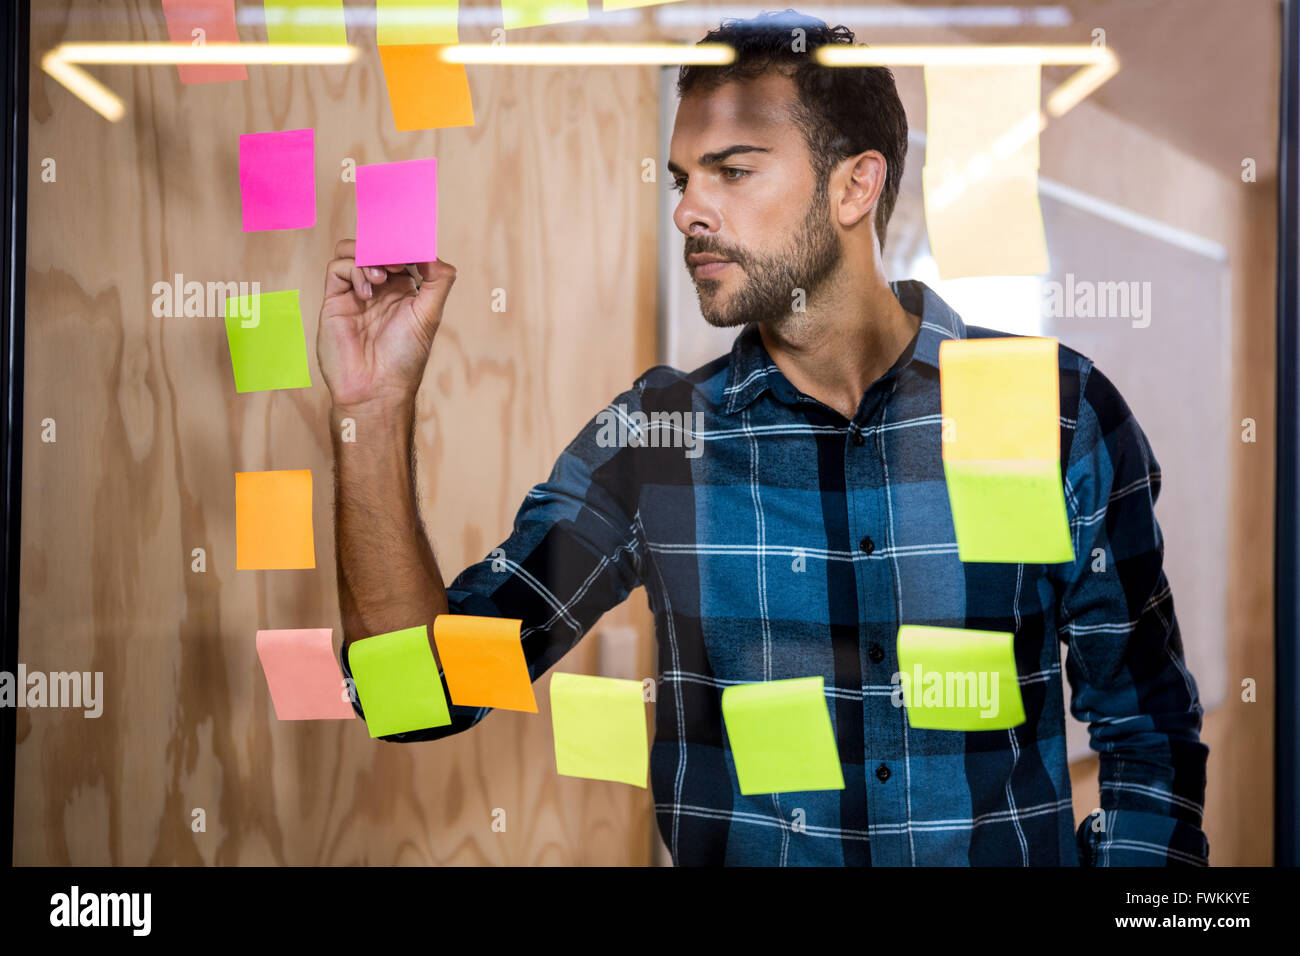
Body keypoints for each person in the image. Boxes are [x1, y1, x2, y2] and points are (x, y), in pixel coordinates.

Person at [316, 10, 1208, 866]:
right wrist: (372, 404)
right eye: (681, 180)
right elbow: (415, 698)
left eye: (732, 172)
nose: (687, 214)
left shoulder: (1056, 410)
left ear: (855, 185)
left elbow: (1147, 731)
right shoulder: (658, 440)